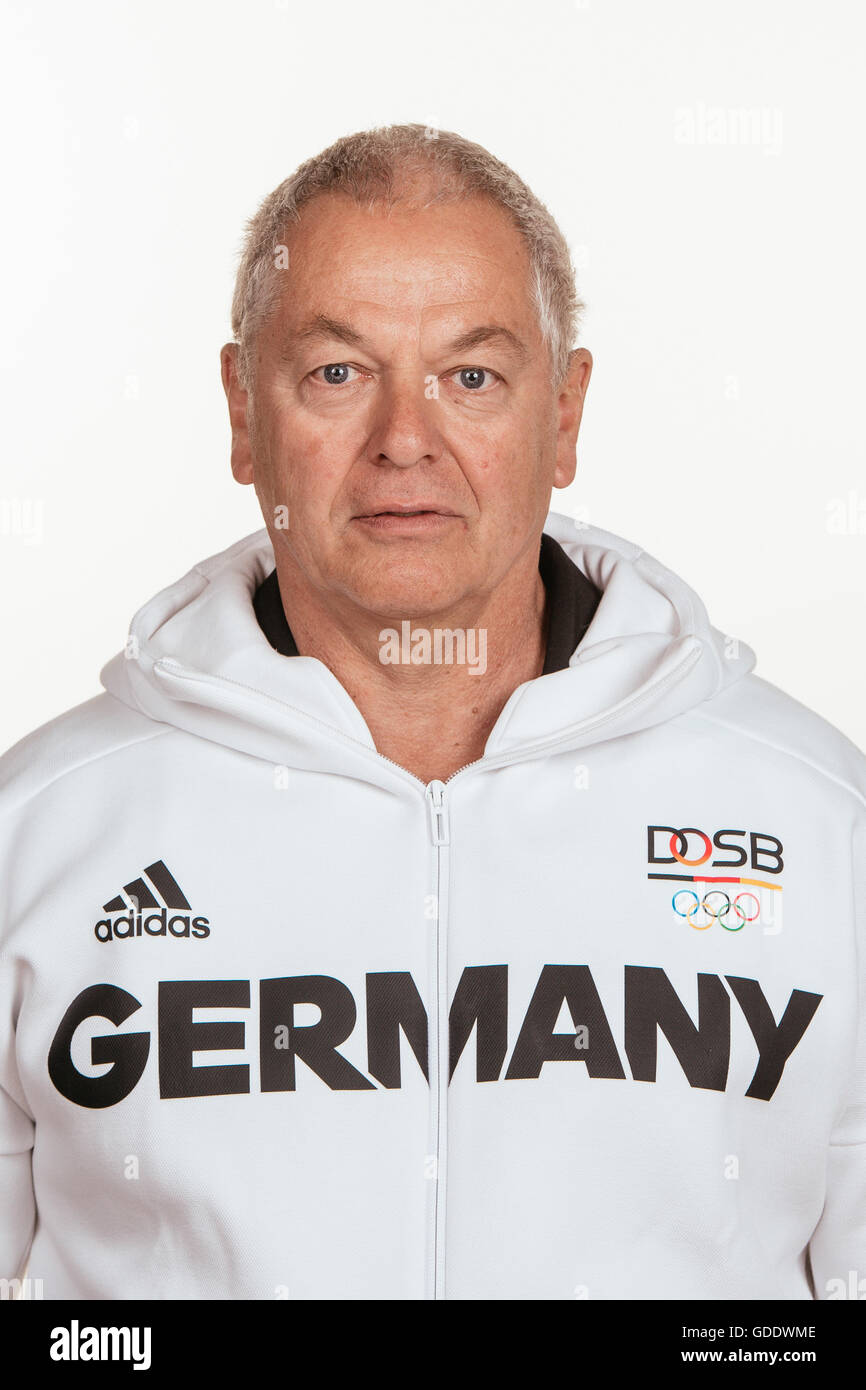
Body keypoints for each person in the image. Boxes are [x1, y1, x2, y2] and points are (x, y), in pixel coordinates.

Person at [1, 123, 864, 1302]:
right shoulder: (38, 836)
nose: (404, 441)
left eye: (471, 376)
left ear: (561, 416)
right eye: (336, 374)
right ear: (244, 412)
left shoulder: (819, 825)